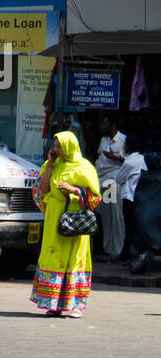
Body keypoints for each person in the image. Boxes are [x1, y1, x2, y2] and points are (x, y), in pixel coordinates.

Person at [31, 130, 102, 318]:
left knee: (74, 260)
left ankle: (75, 306)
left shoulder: (85, 168)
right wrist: (50, 166)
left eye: (59, 146)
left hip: (76, 220)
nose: (55, 149)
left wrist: (73, 190)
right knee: (53, 257)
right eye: (54, 146)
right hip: (55, 218)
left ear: (70, 146)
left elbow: (95, 198)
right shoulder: (51, 165)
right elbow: (41, 191)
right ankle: (53, 304)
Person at [118, 134, 148, 260]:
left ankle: (126, 255)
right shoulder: (143, 159)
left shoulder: (129, 162)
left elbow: (118, 178)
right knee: (136, 227)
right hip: (142, 198)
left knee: (130, 227)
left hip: (129, 197)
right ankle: (126, 254)